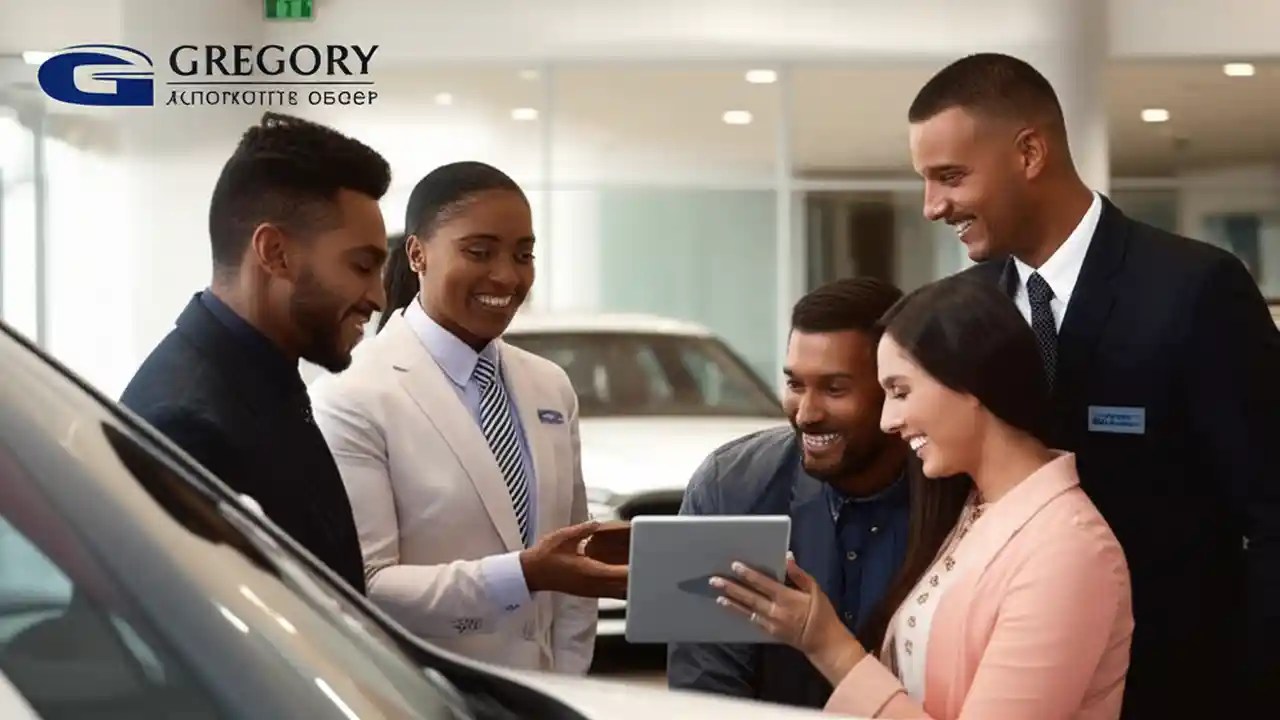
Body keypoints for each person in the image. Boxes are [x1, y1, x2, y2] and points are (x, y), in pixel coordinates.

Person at [905, 52, 1280, 716]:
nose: (933, 206)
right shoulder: (964, 308)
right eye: (926, 182)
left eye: (951, 177)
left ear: (1029, 153)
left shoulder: (1194, 289)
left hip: (1172, 692)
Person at [715, 275, 1134, 719]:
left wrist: (832, 647)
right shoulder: (976, 508)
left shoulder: (1068, 550)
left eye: (900, 391)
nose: (888, 420)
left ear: (970, 384)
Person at [308, 161, 624, 674]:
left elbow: (573, 561)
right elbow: (366, 584)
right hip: (425, 689)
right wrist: (523, 574)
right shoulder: (353, 396)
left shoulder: (549, 385)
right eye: (479, 252)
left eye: (523, 255)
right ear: (418, 254)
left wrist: (566, 681)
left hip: (543, 692)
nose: (507, 276)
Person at [120, 112, 391, 594]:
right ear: (275, 253)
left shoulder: (261, 378)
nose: (378, 297)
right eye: (362, 266)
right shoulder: (185, 427)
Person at [667, 277, 916, 708]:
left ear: (893, 389)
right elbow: (705, 693)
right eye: (796, 385)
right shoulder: (729, 488)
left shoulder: (953, 491)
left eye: (834, 389)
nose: (806, 414)